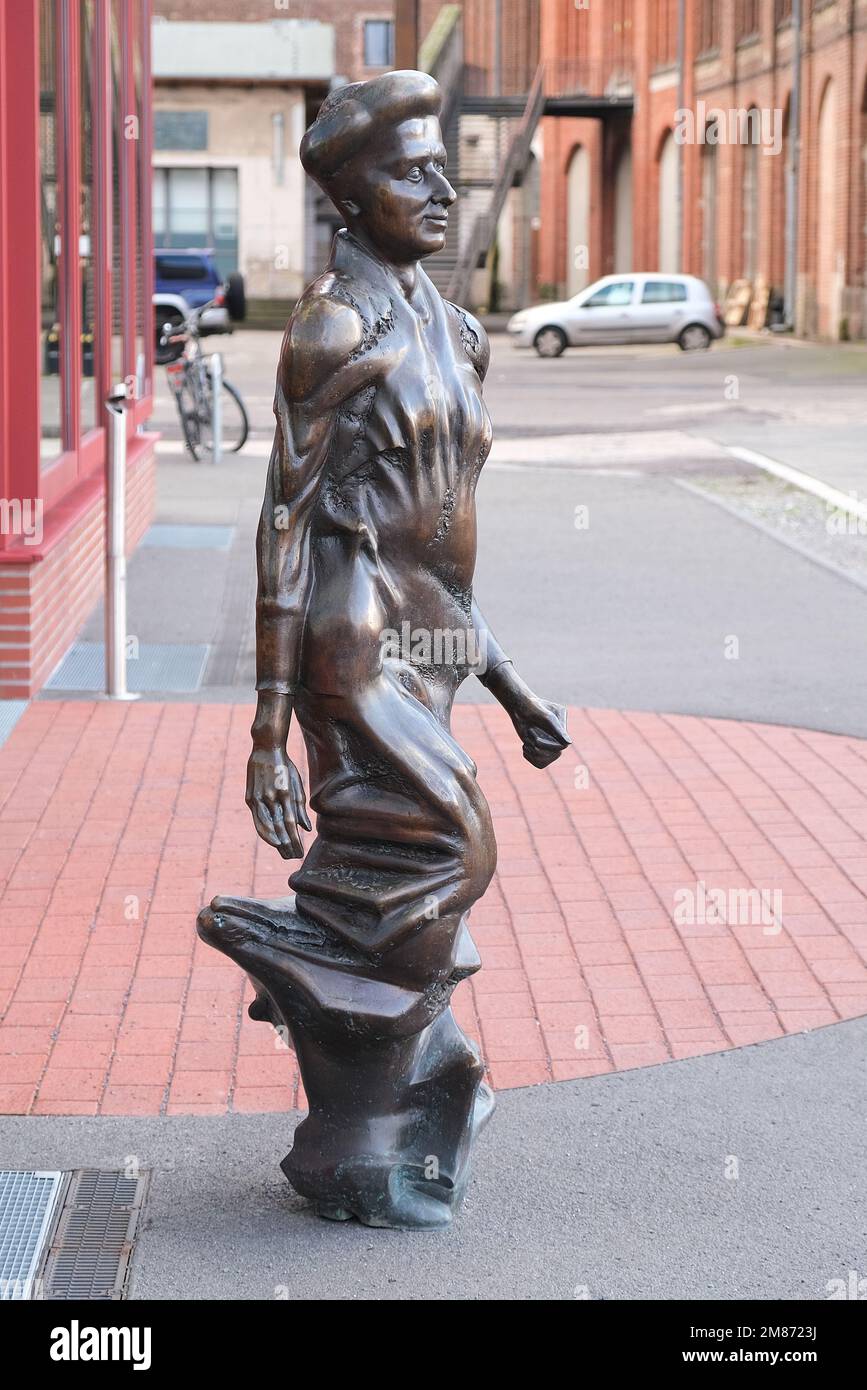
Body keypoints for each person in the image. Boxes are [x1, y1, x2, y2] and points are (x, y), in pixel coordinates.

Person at [201, 70, 570, 1229]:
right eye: (413, 173)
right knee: (455, 848)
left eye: (443, 167)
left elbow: (440, 549)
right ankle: (298, 958)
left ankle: (391, 1093)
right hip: (349, 640)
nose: (444, 189)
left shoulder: (454, 327)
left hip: (428, 633)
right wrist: (268, 729)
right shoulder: (332, 325)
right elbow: (283, 522)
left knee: (412, 880)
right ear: (353, 198)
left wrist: (510, 687)